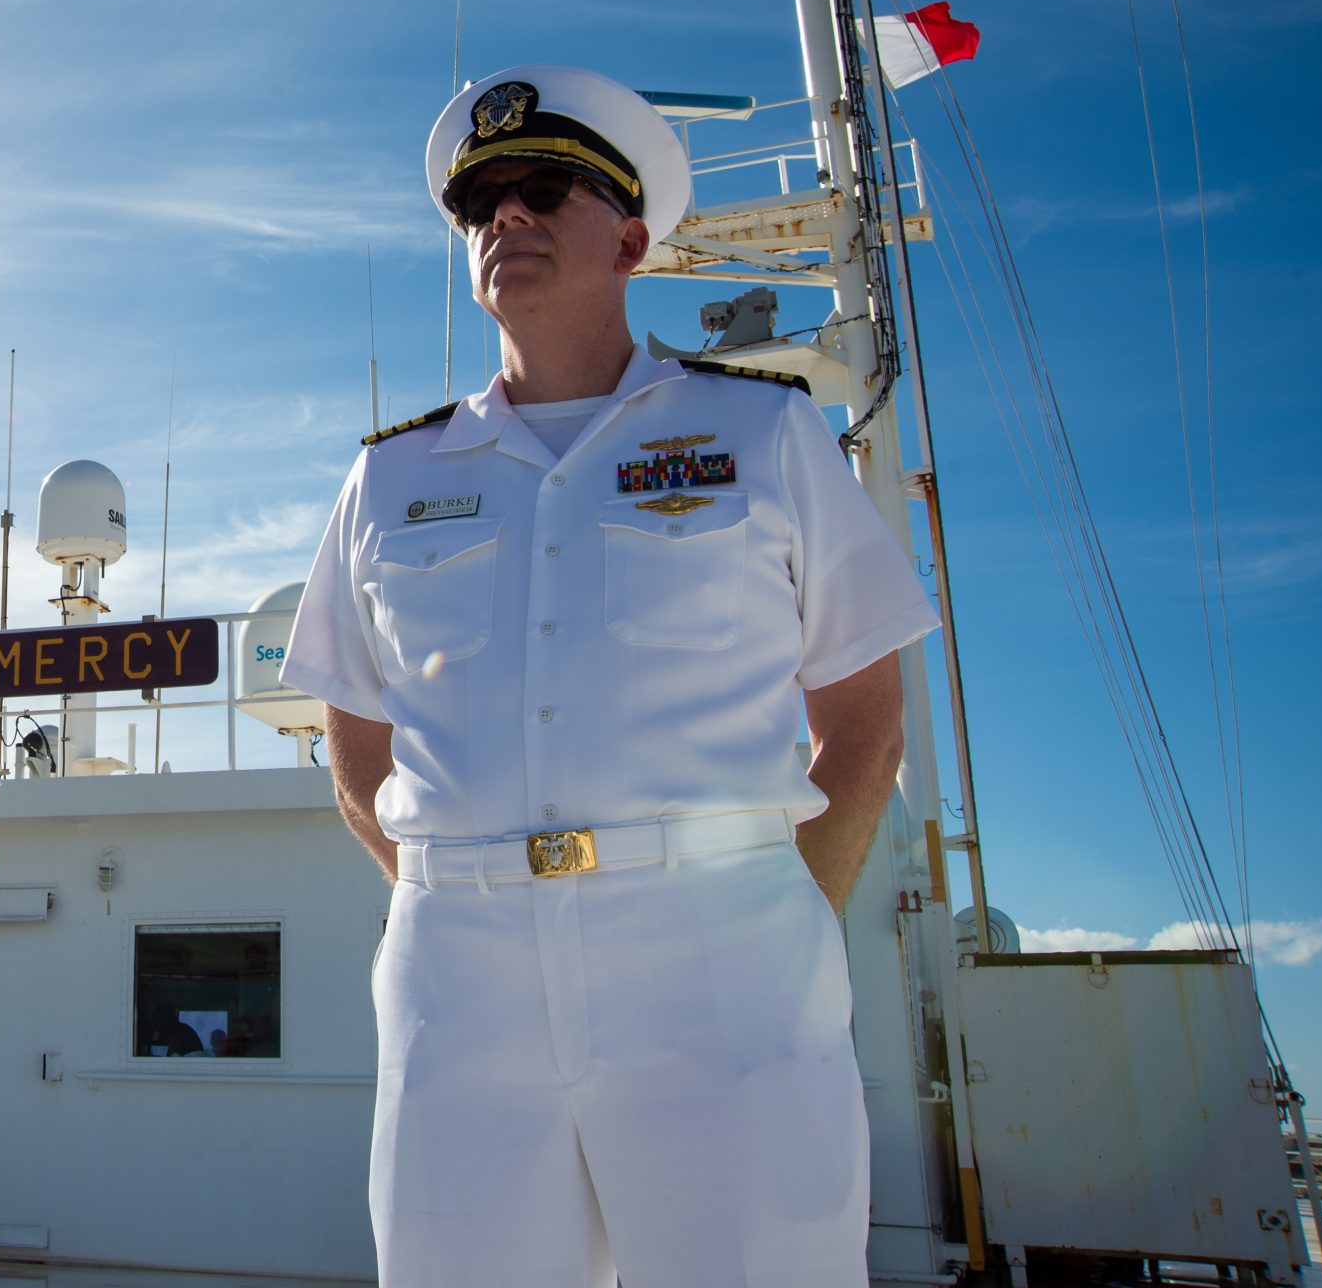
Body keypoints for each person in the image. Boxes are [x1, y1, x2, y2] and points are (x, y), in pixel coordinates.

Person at [282, 66, 940, 1288]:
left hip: (718, 954)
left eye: (541, 192)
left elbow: (864, 726)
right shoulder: (386, 482)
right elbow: (354, 747)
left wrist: (773, 915)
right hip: (455, 969)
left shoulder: (765, 437)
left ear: (632, 239)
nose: (504, 221)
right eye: (480, 205)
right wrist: (464, 888)